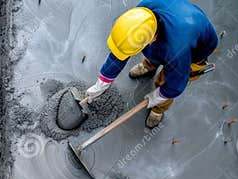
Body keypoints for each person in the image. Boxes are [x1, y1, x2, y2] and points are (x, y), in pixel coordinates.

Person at [86, 0, 218, 128]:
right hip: (177, 21)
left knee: (166, 80)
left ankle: (158, 110)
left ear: (153, 38)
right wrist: (102, 82)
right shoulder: (141, 14)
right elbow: (122, 49)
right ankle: (148, 66)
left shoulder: (177, 52)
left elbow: (176, 84)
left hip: (198, 44)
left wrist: (159, 96)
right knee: (154, 53)